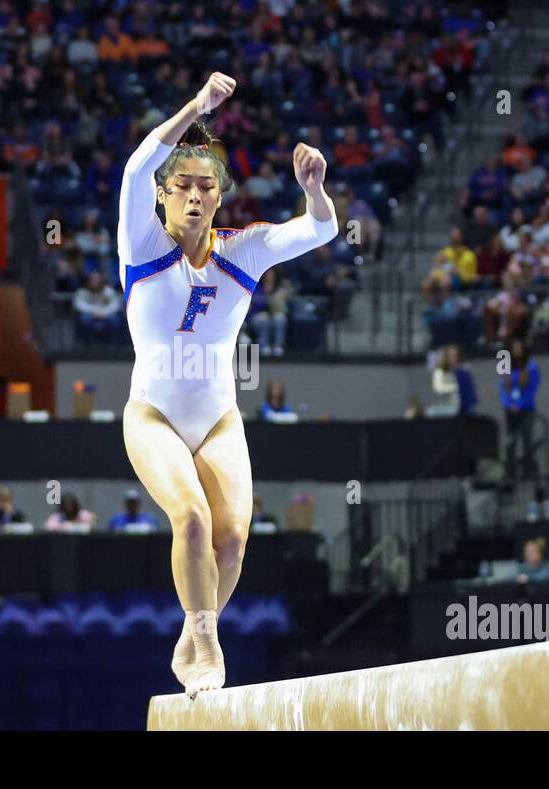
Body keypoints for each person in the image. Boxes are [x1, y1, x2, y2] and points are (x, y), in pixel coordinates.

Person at [118, 72, 338, 695]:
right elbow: (137, 169)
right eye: (182, 185)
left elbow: (319, 231)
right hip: (153, 414)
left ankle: (196, 628)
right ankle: (206, 636)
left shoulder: (242, 251)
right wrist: (194, 108)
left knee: (235, 539)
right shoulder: (139, 243)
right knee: (189, 518)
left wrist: (316, 192)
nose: (194, 195)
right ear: (164, 197)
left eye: (206, 186)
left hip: (217, 418)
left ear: (219, 199)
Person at [499, 339, 540, 480]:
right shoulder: (504, 364)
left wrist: (520, 404)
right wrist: (508, 404)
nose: (516, 351)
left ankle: (528, 471)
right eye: (513, 348)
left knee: (527, 439)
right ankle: (510, 472)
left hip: (526, 409)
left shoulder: (532, 366)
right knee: (510, 441)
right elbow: (503, 388)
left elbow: (531, 390)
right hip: (510, 410)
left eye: (519, 348)